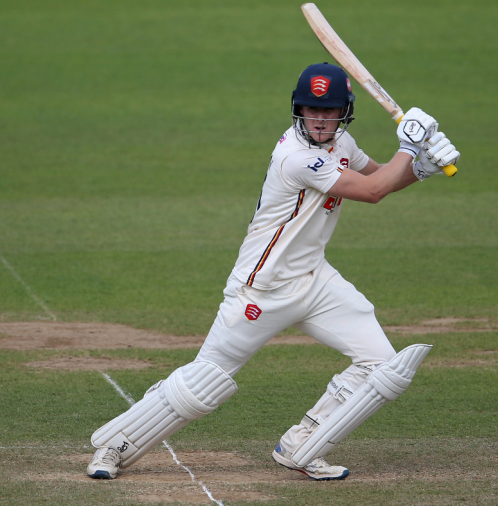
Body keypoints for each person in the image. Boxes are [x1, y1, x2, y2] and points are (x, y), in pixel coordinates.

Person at [86, 62, 460, 481]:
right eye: (310, 110)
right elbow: (372, 193)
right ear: (298, 110)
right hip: (260, 292)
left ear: (344, 112)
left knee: (382, 364)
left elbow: (382, 179)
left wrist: (421, 167)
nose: (319, 119)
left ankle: (304, 443)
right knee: (202, 384)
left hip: (315, 281)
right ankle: (113, 446)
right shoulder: (294, 157)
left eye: (329, 111)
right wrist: (409, 146)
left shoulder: (343, 144)